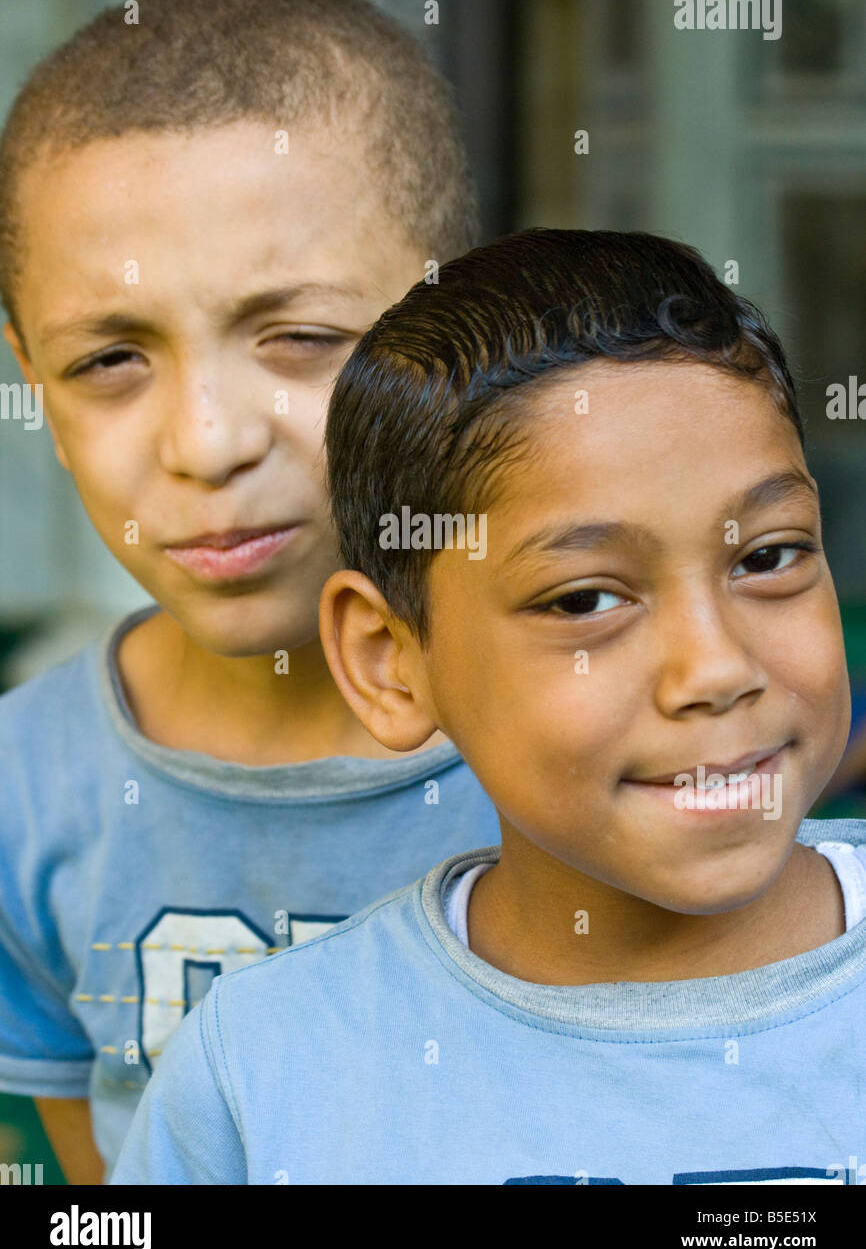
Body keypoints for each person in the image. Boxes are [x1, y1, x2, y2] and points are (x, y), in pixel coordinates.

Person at [112, 227, 865, 1186]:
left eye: (767, 556)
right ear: (391, 663)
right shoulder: (268, 1071)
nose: (716, 670)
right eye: (586, 599)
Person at [0, 0, 498, 1182]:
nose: (207, 440)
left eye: (300, 338)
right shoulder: (24, 794)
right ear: (26, 369)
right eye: (112, 358)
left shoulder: (599, 740)